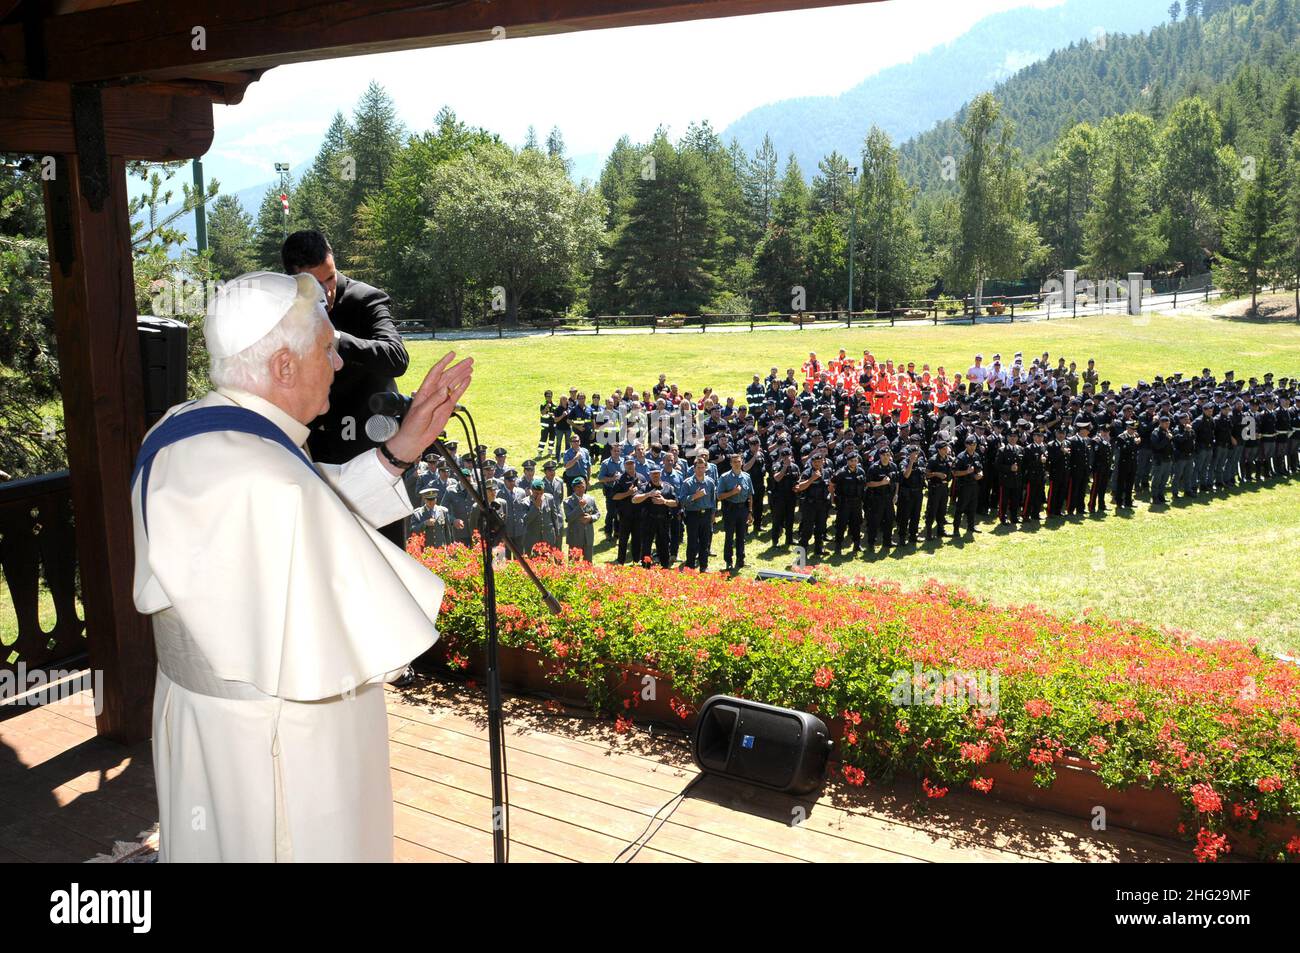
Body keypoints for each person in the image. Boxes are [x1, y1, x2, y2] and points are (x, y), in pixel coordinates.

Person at [131, 271, 473, 861]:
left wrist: (399, 451)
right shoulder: (264, 472)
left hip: (200, 719)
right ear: (283, 368)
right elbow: (302, 507)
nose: (339, 364)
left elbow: (316, 498)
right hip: (281, 738)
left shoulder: (189, 429)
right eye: (327, 349)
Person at [283, 230, 412, 547]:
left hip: (372, 453)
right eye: (314, 285)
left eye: (330, 278)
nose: (326, 292)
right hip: (314, 459)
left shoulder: (365, 299)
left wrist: (337, 340)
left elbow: (397, 358)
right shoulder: (282, 309)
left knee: (385, 564)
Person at [681, 454, 718, 572]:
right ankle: (690, 566)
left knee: (705, 541)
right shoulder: (687, 483)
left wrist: (713, 514)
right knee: (692, 541)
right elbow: (682, 501)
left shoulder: (710, 482)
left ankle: (704, 566)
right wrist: (694, 496)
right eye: (699, 467)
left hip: (706, 515)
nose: (701, 470)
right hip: (693, 515)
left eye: (703, 467)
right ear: (694, 468)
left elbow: (713, 500)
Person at [717, 453, 753, 572]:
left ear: (742, 462)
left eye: (739, 461)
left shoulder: (747, 476)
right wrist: (732, 492)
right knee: (729, 536)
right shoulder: (724, 477)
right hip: (730, 509)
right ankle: (728, 561)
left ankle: (740, 560)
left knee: (741, 536)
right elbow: (719, 496)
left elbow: (750, 496)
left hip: (743, 509)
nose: (737, 464)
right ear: (731, 463)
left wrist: (750, 512)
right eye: (734, 462)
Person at [564, 478, 599, 562]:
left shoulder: (590, 499)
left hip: (588, 536)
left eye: (583, 487)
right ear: (574, 488)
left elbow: (597, 513)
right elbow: (568, 518)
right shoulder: (568, 501)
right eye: (578, 487)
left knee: (588, 562)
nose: (581, 489)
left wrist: (591, 518)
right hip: (575, 537)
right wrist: (579, 507)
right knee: (573, 562)